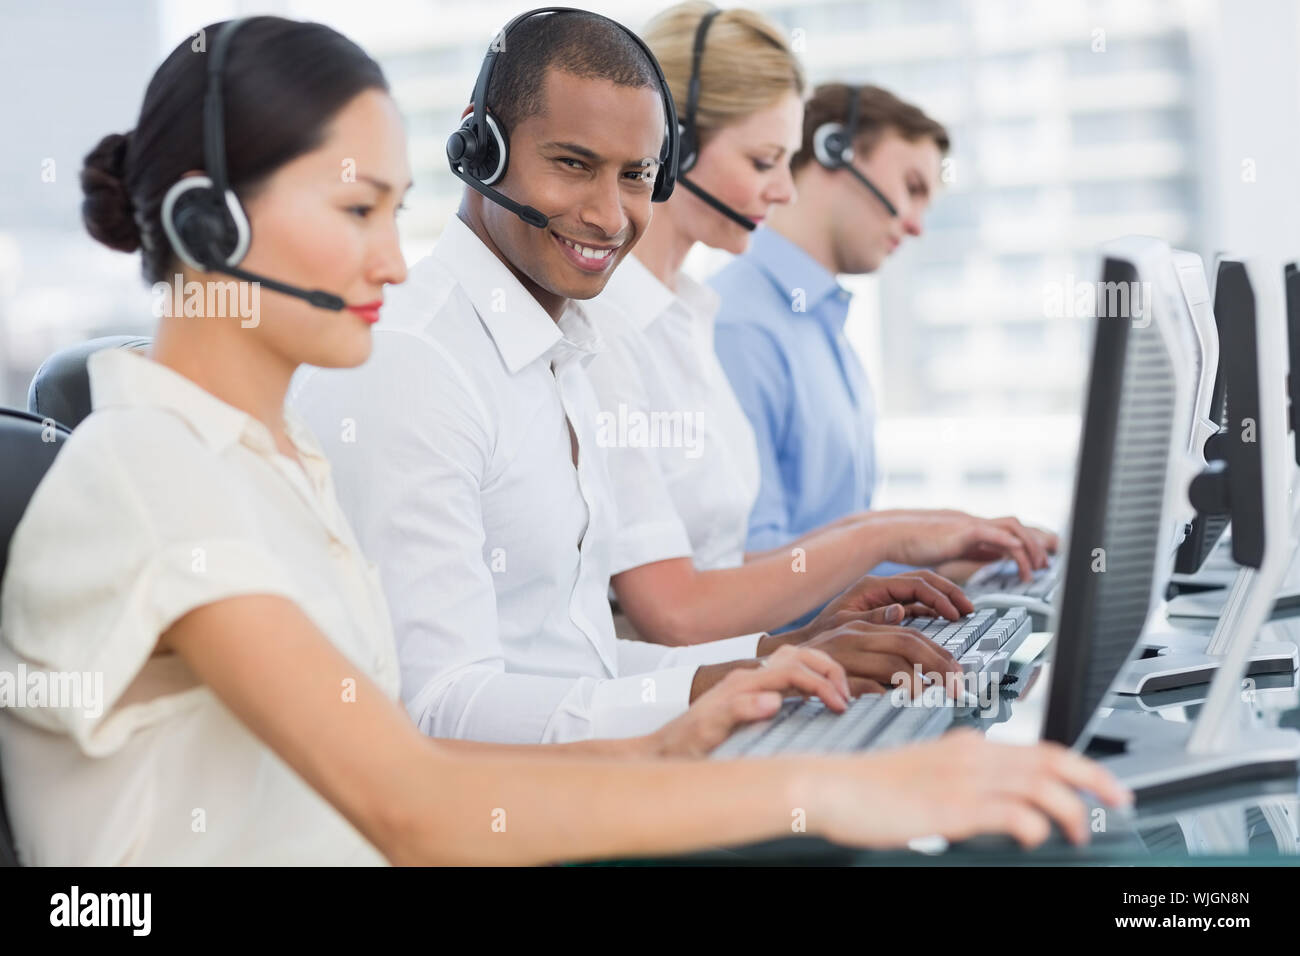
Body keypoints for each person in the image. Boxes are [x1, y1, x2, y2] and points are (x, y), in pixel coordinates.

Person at [0, 14, 1129, 867]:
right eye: (356, 213)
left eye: (397, 213)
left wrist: (702, 717)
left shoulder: (265, 468)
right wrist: (822, 789)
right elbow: (414, 795)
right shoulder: (156, 479)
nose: (393, 260)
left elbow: (427, 770)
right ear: (211, 223)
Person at [294, 8, 981, 747]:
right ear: (478, 144)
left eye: (636, 177)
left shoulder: (563, 345)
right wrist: (724, 685)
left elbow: (571, 660)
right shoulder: (416, 363)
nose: (608, 214)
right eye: (572, 164)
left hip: (582, 780)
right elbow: (434, 709)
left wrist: (775, 656)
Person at [582, 2, 1053, 647]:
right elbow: (674, 610)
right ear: (673, 147)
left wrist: (915, 550)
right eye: (763, 161)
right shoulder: (618, 326)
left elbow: (723, 568)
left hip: (721, 679)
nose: (783, 190)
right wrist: (884, 538)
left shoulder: (687, 316)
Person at [709, 82, 1049, 585]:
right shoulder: (737, 326)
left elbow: (825, 552)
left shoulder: (827, 330)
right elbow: (747, 575)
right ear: (834, 151)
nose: (915, 226)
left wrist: (955, 562)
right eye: (912, 187)